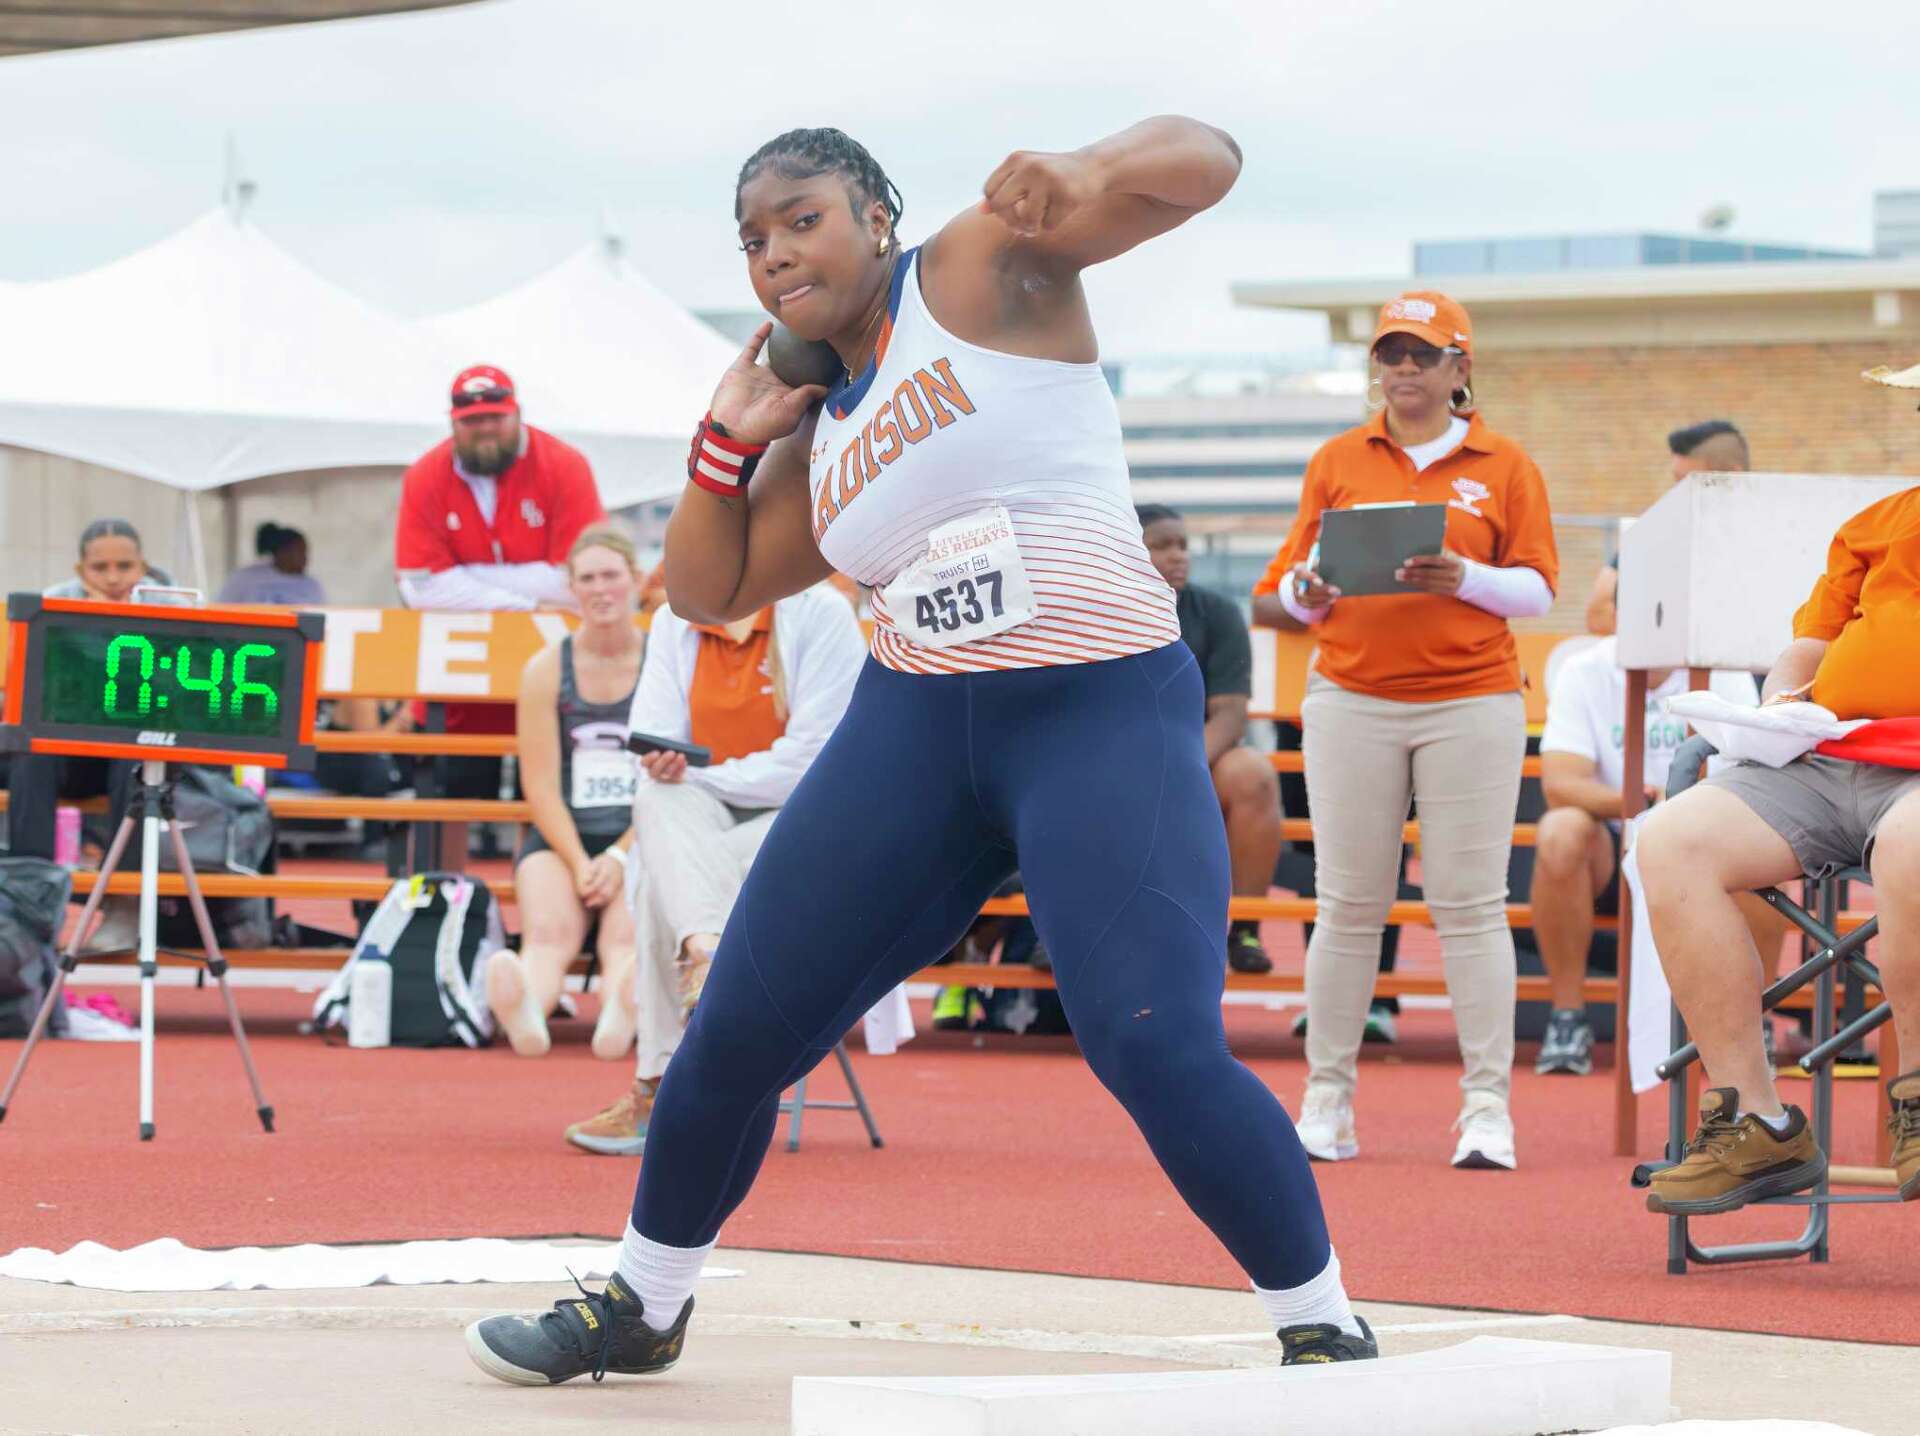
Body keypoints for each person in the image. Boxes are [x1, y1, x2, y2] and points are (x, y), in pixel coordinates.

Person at [467, 118, 1374, 1388]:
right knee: (733, 1026)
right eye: (752, 240)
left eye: (802, 218)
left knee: (1152, 1036)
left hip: (1095, 712)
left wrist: (1089, 165)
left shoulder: (973, 269)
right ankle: (642, 1302)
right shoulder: (816, 433)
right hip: (920, 733)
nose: (776, 252)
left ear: (877, 215)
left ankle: (1323, 1319)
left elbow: (1209, 161)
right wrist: (725, 446)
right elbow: (705, 587)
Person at [1250, 291, 1557, 1172]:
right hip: (1351, 696)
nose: (1406, 370)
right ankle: (1327, 1099)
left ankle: (1487, 1108)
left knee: (1469, 905)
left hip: (1472, 699)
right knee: (1348, 905)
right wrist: (1311, 590)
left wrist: (1464, 577)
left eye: (1424, 355)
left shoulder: (1505, 464)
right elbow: (1281, 592)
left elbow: (1537, 588)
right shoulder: (1338, 458)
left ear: (1461, 367)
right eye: (1392, 354)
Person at [1637, 360, 1920, 1216]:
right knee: (1668, 839)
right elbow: (1810, 643)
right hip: (1833, 757)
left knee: (1914, 844)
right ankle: (1757, 1123)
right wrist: (1781, 704)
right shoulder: (1876, 523)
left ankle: (1916, 1097)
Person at [563, 579, 866, 1153]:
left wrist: (702, 775)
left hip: (804, 817)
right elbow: (650, 747)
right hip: (700, 815)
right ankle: (704, 952)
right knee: (657, 805)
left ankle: (655, 1085)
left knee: (663, 872)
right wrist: (682, 776)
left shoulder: (821, 612)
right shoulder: (679, 617)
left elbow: (810, 760)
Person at [1530, 638, 1761, 1074]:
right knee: (1559, 833)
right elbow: (1560, 784)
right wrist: (1632, 802)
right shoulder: (1584, 670)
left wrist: (1677, 815)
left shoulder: (1723, 668)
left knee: (1765, 853)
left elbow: (1749, 772)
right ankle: (1566, 1016)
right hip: (1615, 842)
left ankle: (1754, 1021)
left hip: (1702, 841)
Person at [393, 365, 607, 812]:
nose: (485, 429)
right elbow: (419, 590)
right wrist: (531, 598)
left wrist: (463, 577)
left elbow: (579, 580)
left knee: (551, 804)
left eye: (496, 417)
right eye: (472, 421)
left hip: (553, 676)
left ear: (517, 414)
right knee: (453, 808)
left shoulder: (564, 464)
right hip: (459, 683)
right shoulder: (426, 475)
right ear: (453, 422)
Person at [485, 526, 647, 1061]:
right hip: (563, 837)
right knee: (548, 934)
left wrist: (620, 854)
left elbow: (669, 777)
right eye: (587, 579)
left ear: (635, 581)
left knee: (623, 939)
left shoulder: (665, 663)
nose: (600, 590)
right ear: (572, 589)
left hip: (642, 833)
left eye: (611, 577)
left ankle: (623, 1005)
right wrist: (580, 862)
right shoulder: (545, 670)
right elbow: (540, 784)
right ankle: (525, 1004)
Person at [1137, 503, 1281, 973]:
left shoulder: (1215, 613)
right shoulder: (1099, 613)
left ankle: (1245, 930)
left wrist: (1180, 766)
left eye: (1182, 545)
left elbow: (1231, 713)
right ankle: (1056, 932)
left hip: (1196, 752)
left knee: (1254, 776)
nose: (1178, 556)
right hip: (1119, 755)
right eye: (1161, 545)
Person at [5, 520, 164, 865]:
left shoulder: (173, 605)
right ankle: (29, 889)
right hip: (68, 750)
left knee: (136, 751)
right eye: (99, 567)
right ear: (80, 570)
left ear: (143, 566)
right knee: (31, 752)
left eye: (124, 566)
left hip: (137, 752)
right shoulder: (49, 604)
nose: (112, 578)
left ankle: (127, 894)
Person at [1585, 420, 1749, 637]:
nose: (1678, 493)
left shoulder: (1778, 536)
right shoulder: (1660, 533)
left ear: (1732, 479)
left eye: (1689, 482)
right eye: (1677, 481)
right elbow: (1600, 614)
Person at [216, 523, 327, 606]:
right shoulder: (246, 578)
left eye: (305, 552)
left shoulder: (312, 586)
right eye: (300, 552)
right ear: (282, 552)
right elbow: (221, 608)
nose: (305, 558)